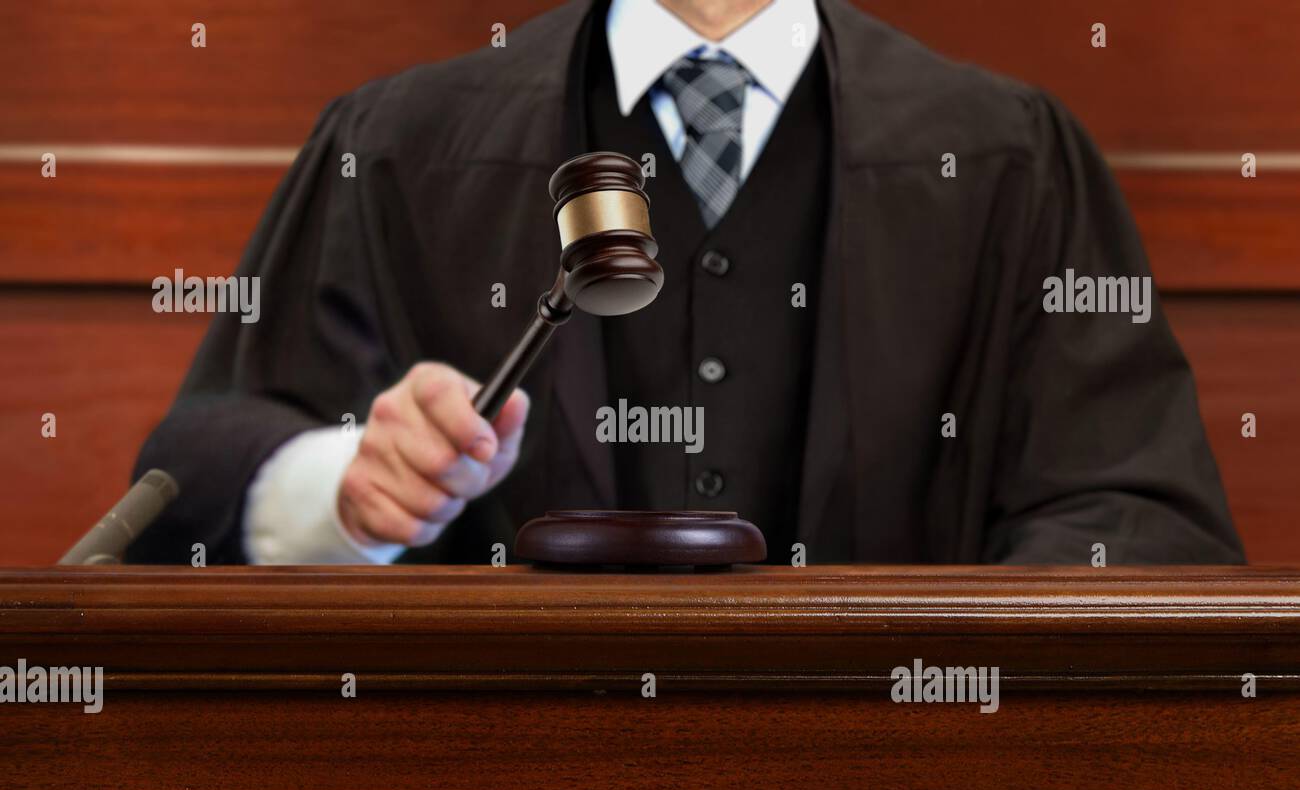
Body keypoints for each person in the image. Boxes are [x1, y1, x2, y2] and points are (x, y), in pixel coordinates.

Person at [129, 0, 1245, 566]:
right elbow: (195, 471)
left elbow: (1132, 509)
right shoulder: (406, 143)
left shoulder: (1003, 156)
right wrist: (348, 493)